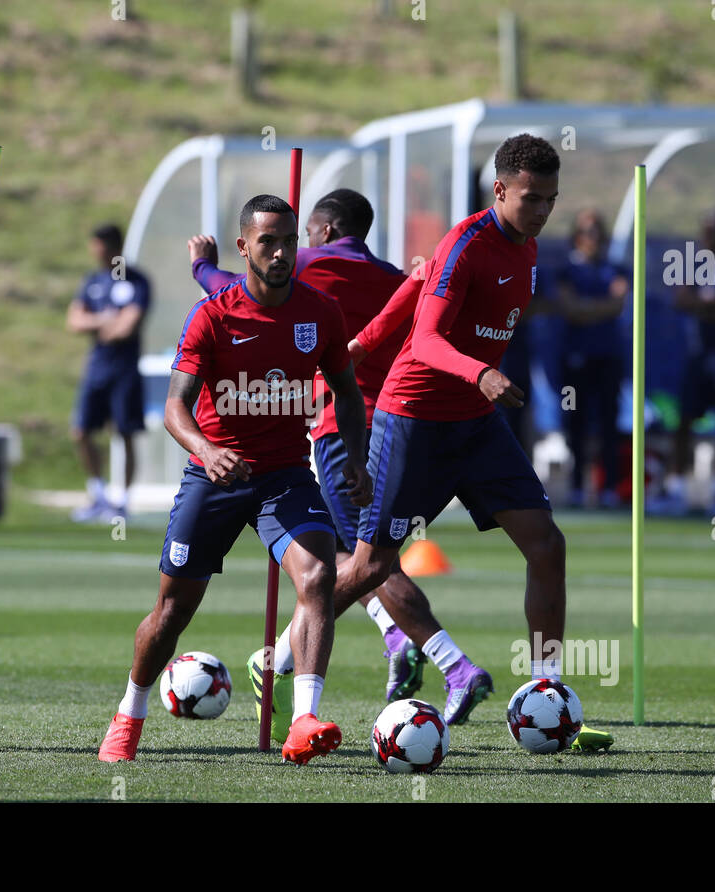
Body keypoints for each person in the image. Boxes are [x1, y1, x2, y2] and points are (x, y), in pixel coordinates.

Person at [333, 133, 611, 749]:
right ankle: (278, 659)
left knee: (546, 545)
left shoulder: (529, 246)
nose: (541, 210)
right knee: (373, 565)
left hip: (478, 425)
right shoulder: (465, 244)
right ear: (500, 189)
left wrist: (364, 343)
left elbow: (414, 283)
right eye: (531, 198)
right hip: (416, 419)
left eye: (551, 200)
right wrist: (480, 372)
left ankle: (547, 694)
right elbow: (428, 340)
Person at [189, 189, 489, 740]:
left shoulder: (305, 267)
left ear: (321, 232)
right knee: (364, 554)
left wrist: (202, 265)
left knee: (363, 558)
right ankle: (346, 646)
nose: (285, 252)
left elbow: (235, 296)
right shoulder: (395, 277)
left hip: (338, 428)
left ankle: (451, 664)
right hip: (400, 422)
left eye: (295, 238)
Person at [97, 194, 373, 765]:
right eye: (268, 241)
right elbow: (175, 407)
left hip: (286, 476)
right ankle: (129, 712)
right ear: (244, 245)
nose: (280, 253)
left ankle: (303, 719)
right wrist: (206, 448)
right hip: (213, 477)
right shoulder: (213, 315)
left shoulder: (319, 312)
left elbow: (346, 390)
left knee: (319, 575)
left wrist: (355, 458)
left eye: (290, 241)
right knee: (172, 611)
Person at [653, 209, 715, 517]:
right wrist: (711, 305)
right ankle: (676, 488)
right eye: (705, 231)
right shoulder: (694, 264)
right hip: (699, 355)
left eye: (714, 232)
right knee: (684, 420)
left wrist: (708, 306)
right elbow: (682, 299)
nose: (707, 238)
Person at [66, 223, 150, 522]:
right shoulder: (93, 281)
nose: (95, 251)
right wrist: (106, 319)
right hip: (97, 368)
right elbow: (75, 320)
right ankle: (98, 494)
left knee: (124, 432)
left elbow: (127, 327)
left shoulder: (137, 281)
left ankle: (122, 502)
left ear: (113, 247)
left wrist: (103, 323)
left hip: (125, 371)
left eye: (99, 245)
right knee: (81, 431)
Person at [556, 210, 630, 508]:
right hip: (576, 359)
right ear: (577, 237)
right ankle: (576, 486)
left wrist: (589, 308)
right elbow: (570, 308)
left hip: (607, 358)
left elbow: (618, 303)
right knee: (577, 421)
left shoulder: (616, 270)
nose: (594, 239)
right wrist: (599, 307)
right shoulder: (566, 271)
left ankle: (608, 486)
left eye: (598, 232)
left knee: (609, 423)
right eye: (588, 232)